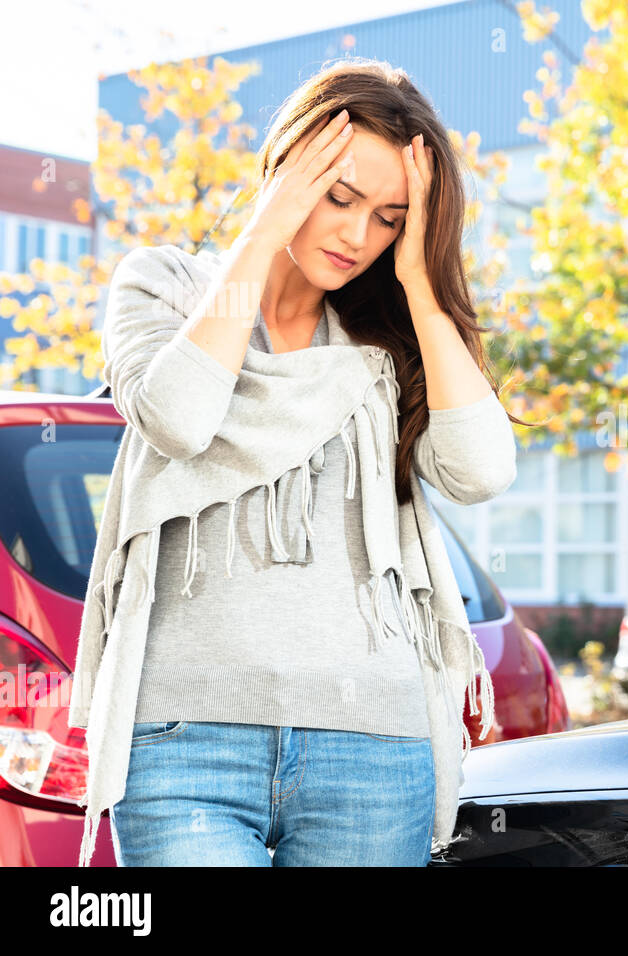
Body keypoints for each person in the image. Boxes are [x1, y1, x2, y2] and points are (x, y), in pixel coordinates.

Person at [69, 59, 522, 866]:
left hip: (372, 749)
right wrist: (263, 231)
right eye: (339, 196)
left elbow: (481, 470)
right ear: (284, 166)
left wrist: (419, 282)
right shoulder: (167, 289)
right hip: (185, 743)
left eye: (389, 217)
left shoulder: (386, 343)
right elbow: (178, 416)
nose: (357, 235)